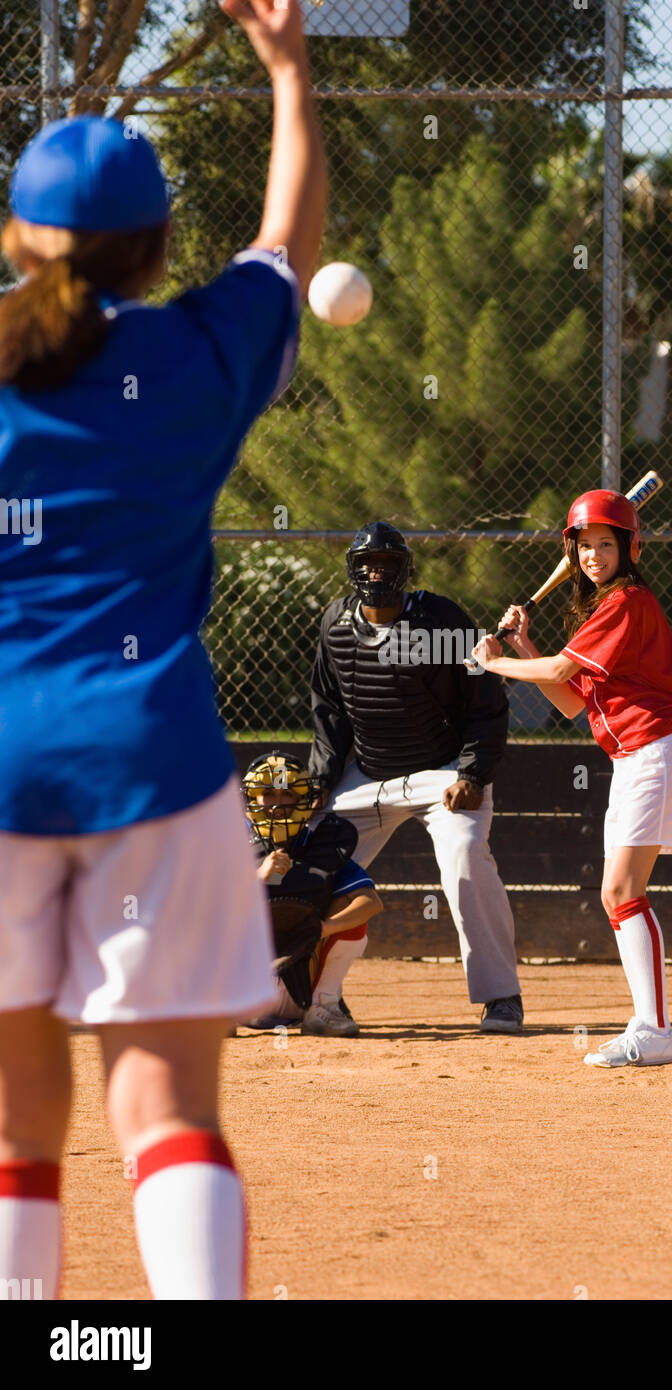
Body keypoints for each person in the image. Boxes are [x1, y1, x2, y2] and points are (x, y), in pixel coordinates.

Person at [0, 0, 326, 1299]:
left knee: (20, 1129)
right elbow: (285, 244)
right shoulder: (197, 349)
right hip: (156, 761)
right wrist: (288, 69)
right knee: (167, 1107)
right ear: (155, 248)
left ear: (22, 238)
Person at [472, 488, 672, 1067]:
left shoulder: (626, 602)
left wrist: (496, 662)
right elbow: (571, 699)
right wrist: (523, 642)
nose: (594, 555)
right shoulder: (606, 608)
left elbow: (558, 669)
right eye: (583, 546)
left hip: (654, 752)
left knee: (622, 891)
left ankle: (653, 1029)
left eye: (606, 543)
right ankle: (651, 1027)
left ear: (629, 549)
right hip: (638, 758)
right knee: (618, 893)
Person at [308, 522, 523, 1032]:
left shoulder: (442, 620)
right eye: (367, 564)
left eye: (388, 564)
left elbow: (486, 704)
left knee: (467, 858)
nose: (377, 573)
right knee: (310, 866)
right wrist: (321, 780)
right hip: (366, 774)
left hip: (442, 773)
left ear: (406, 571)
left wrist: (472, 773)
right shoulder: (335, 624)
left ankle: (501, 997)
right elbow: (329, 712)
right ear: (352, 571)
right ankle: (309, 997)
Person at [241, 753, 382, 1037]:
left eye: (288, 794)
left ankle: (323, 1006)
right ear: (252, 800)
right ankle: (214, 1011)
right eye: (267, 793)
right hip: (241, 993)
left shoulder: (322, 846)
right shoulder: (231, 845)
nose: (278, 804)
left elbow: (371, 903)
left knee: (349, 906)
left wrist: (321, 928)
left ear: (305, 800)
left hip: (300, 988)